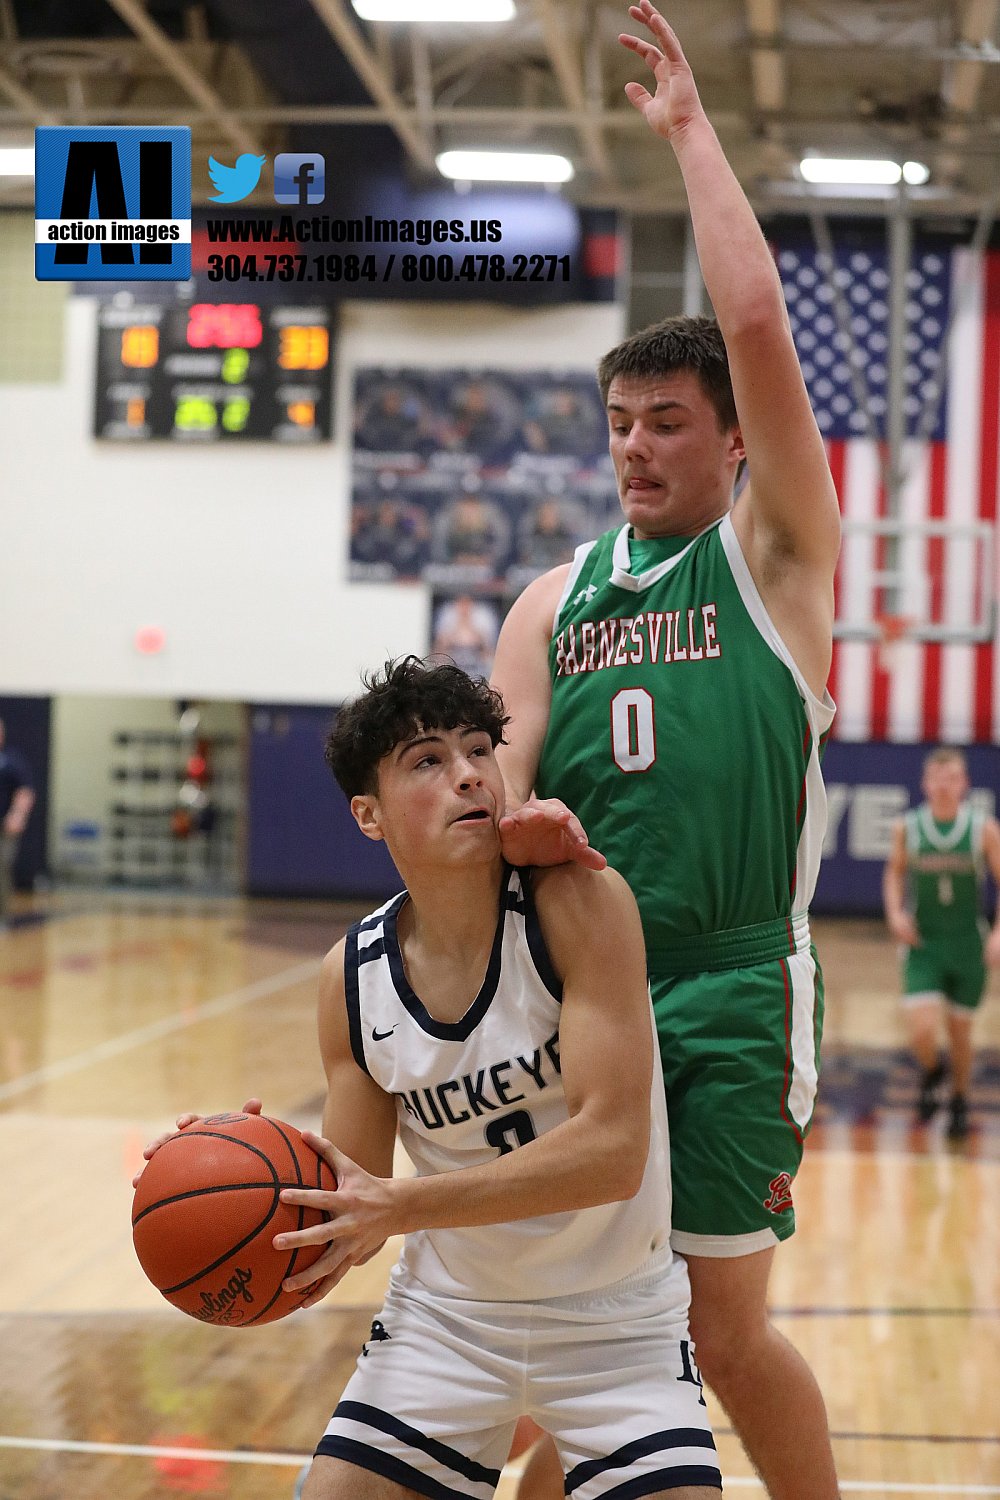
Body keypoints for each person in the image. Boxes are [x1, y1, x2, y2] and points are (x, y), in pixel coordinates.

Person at [489, 5, 842, 1498]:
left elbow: (755, 326)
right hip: (590, 989)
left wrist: (695, 137)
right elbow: (500, 757)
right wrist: (513, 822)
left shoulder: (776, 560)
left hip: (738, 981)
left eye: (668, 423)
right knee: (567, 1319)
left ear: (732, 442)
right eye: (621, 423)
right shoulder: (550, 598)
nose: (636, 448)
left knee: (716, 1321)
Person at [137, 658, 722, 1500]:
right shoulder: (353, 980)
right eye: (428, 760)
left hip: (617, 1324)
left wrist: (403, 1204)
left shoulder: (578, 903)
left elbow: (614, 1152)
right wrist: (226, 1162)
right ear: (367, 814)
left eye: (479, 749)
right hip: (450, 1326)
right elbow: (346, 1211)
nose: (469, 776)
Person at [882, 747, 1000, 1139]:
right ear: (925, 785)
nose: (945, 787)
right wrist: (896, 914)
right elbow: (895, 874)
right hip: (925, 944)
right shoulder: (908, 828)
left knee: (961, 1033)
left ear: (965, 784)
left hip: (968, 944)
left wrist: (998, 933)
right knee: (921, 1031)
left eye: (953, 779)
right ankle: (934, 1072)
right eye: (938, 779)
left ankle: (961, 1101)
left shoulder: (983, 828)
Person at [0, 717, 35, 926]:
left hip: (5, 826)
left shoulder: (11, 760)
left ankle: (2, 915)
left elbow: (25, 792)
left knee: (2, 865)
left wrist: (17, 816)